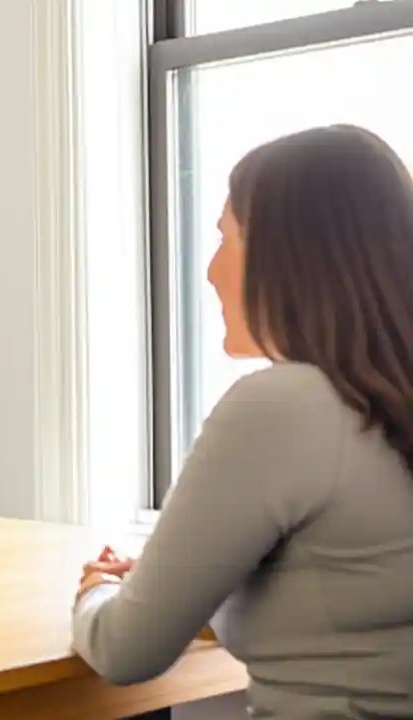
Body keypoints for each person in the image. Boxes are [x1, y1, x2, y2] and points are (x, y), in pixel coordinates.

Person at [73, 125, 413, 717]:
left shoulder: (284, 407)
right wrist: (176, 582)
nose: (208, 271)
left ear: (289, 257)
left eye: (225, 238)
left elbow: (124, 649)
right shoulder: (384, 403)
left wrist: (97, 592)